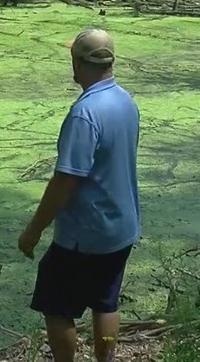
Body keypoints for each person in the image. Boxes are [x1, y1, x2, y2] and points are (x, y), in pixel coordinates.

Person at [18, 28, 141, 362]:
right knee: (106, 300)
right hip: (121, 228)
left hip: (86, 235)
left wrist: (33, 231)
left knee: (56, 305)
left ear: (77, 63)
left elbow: (65, 181)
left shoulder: (84, 114)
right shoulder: (125, 101)